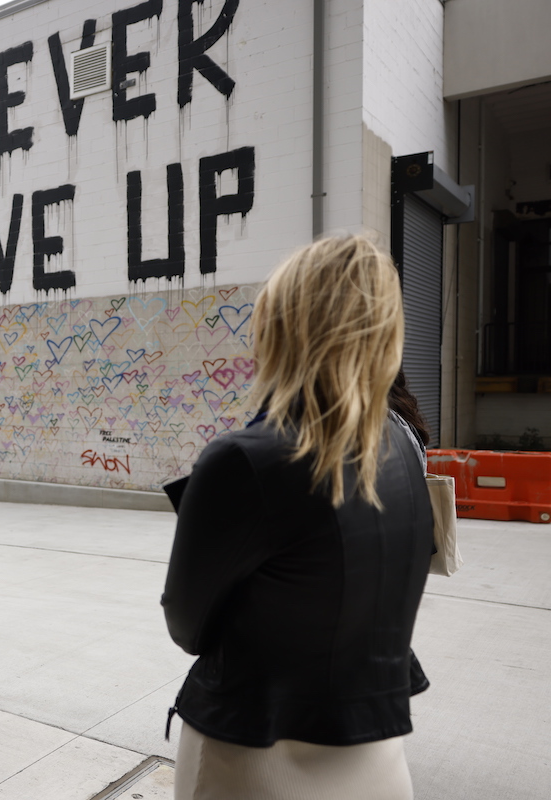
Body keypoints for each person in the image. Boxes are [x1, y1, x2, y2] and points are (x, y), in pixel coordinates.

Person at [161, 236, 432, 800]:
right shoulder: (405, 446)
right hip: (378, 752)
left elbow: (186, 627)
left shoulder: (245, 458)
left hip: (256, 754)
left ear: (281, 328)